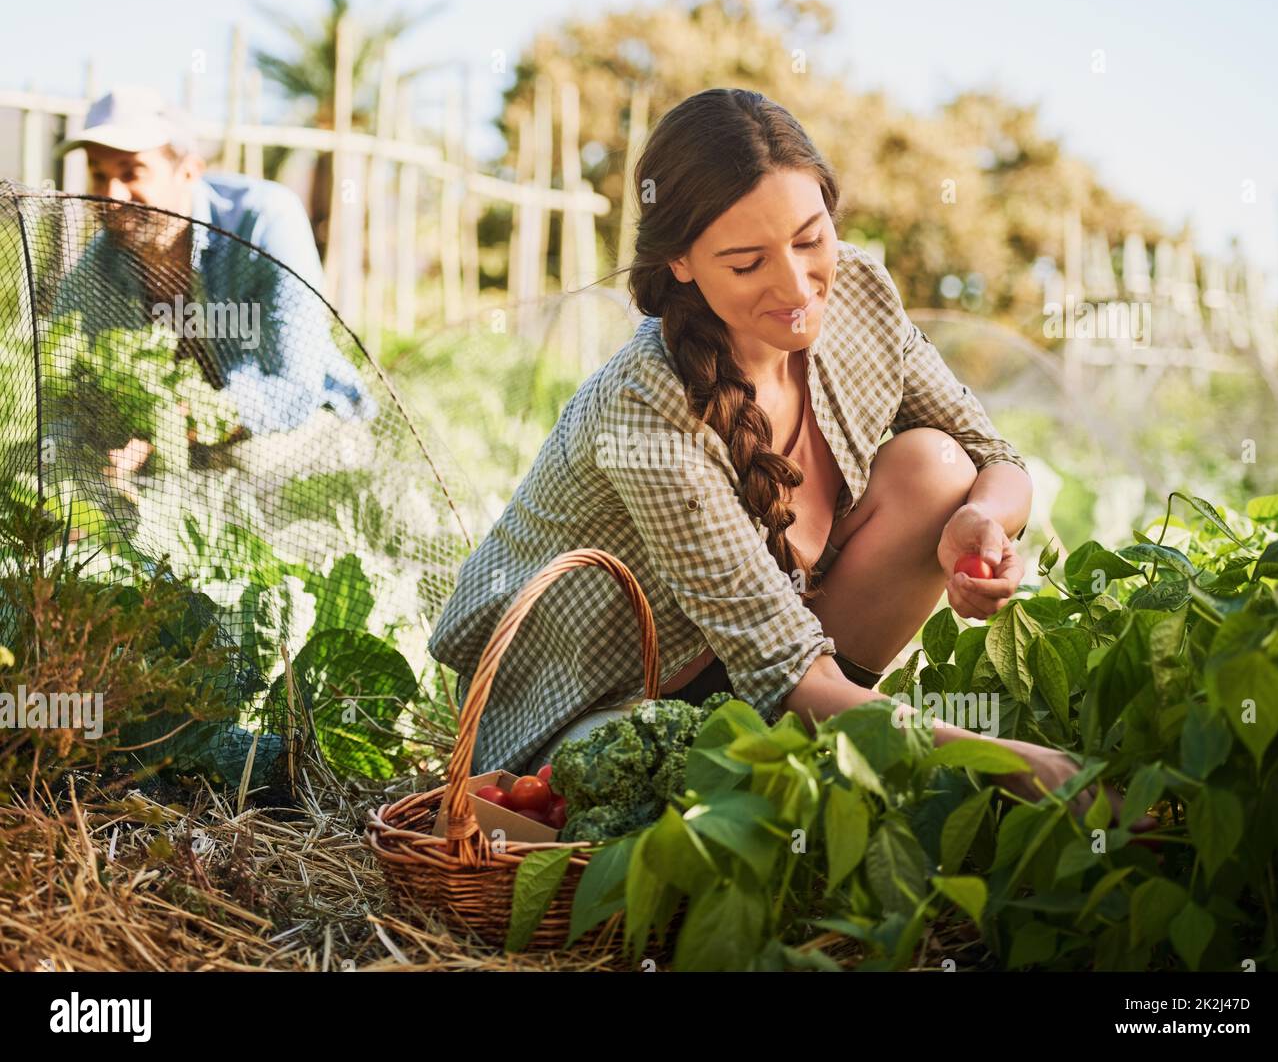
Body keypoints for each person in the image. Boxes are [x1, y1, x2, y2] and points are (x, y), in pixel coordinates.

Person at [431, 87, 1148, 828]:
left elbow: (993, 456)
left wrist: (983, 518)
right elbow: (783, 669)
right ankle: (820, 763)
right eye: (747, 264)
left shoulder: (861, 293)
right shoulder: (645, 408)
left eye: (811, 239)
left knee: (936, 467)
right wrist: (1016, 764)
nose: (799, 288)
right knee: (634, 807)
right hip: (600, 702)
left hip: (777, 670)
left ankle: (827, 756)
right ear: (680, 261)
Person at [50, 84, 376, 505]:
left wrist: (166, 425)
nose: (111, 197)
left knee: (245, 467)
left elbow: (295, 389)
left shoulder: (263, 222)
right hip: (176, 446)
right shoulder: (100, 265)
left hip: (306, 426)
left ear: (188, 171)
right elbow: (64, 389)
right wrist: (86, 460)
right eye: (99, 174)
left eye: (131, 173)